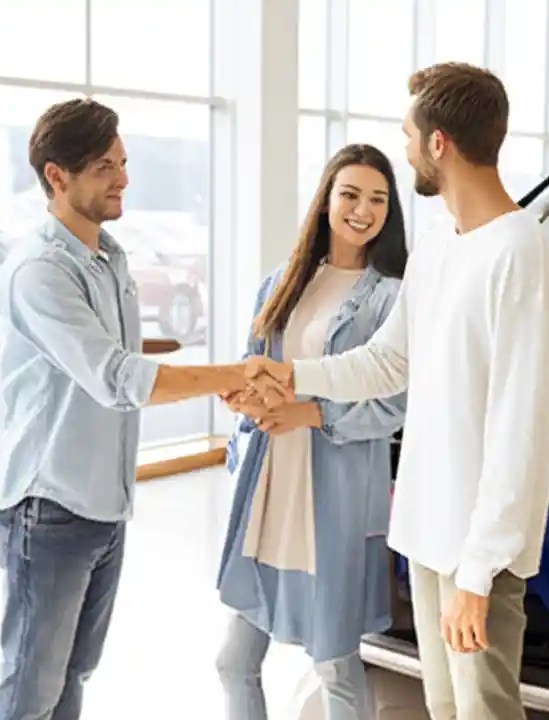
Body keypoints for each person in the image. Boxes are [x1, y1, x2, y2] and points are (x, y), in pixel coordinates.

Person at [247, 63, 549, 720]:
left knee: (486, 712)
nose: (405, 149)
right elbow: (388, 362)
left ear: (439, 143)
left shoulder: (520, 253)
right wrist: (292, 375)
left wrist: (478, 574)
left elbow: (522, 431)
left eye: (408, 135)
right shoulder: (438, 247)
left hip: (478, 551)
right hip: (426, 534)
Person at [0, 98, 256, 720]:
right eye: (106, 166)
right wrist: (229, 376)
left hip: (104, 507)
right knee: (31, 687)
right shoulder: (39, 271)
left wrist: (206, 374)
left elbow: (117, 355)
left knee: (73, 676)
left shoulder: (110, 257)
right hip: (48, 507)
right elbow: (115, 376)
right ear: (58, 176)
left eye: (123, 162)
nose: (124, 178)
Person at [212, 143, 409, 720]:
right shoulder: (284, 281)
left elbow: (395, 404)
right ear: (326, 199)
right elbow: (256, 364)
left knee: (335, 664)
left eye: (377, 199)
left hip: (334, 497)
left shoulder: (390, 298)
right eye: (350, 194)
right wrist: (244, 398)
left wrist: (310, 413)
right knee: (233, 663)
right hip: (271, 488)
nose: (362, 210)